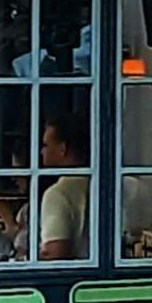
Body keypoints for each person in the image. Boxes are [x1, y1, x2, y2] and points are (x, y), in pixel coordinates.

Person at [38, 108, 90, 262]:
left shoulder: (57, 194)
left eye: (46, 145)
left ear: (63, 149)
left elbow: (55, 253)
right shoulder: (118, 184)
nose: (41, 151)